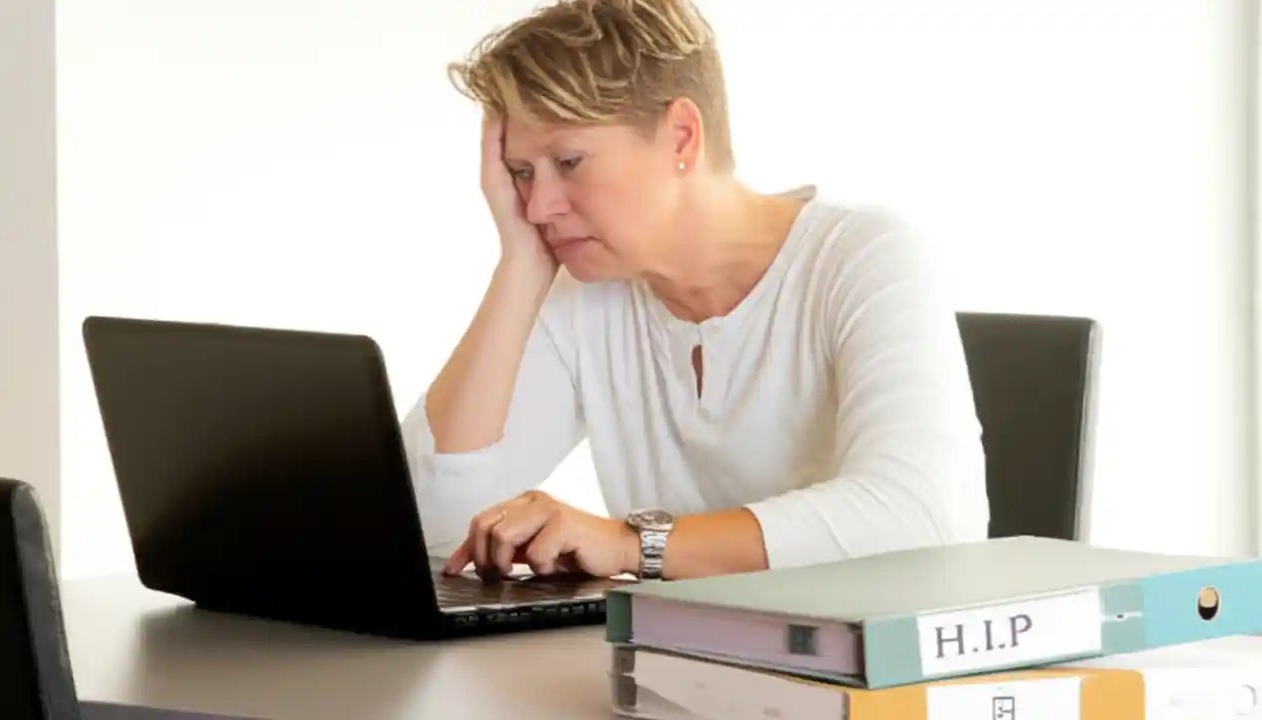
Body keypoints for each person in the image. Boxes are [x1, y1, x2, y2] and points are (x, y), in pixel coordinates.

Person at [400, 0, 989, 583]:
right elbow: (425, 527)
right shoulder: (587, 294)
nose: (538, 206)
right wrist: (520, 267)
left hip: (866, 669)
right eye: (522, 173)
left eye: (569, 161)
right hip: (683, 670)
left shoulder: (864, 255)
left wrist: (634, 545)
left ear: (682, 136)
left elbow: (921, 513)